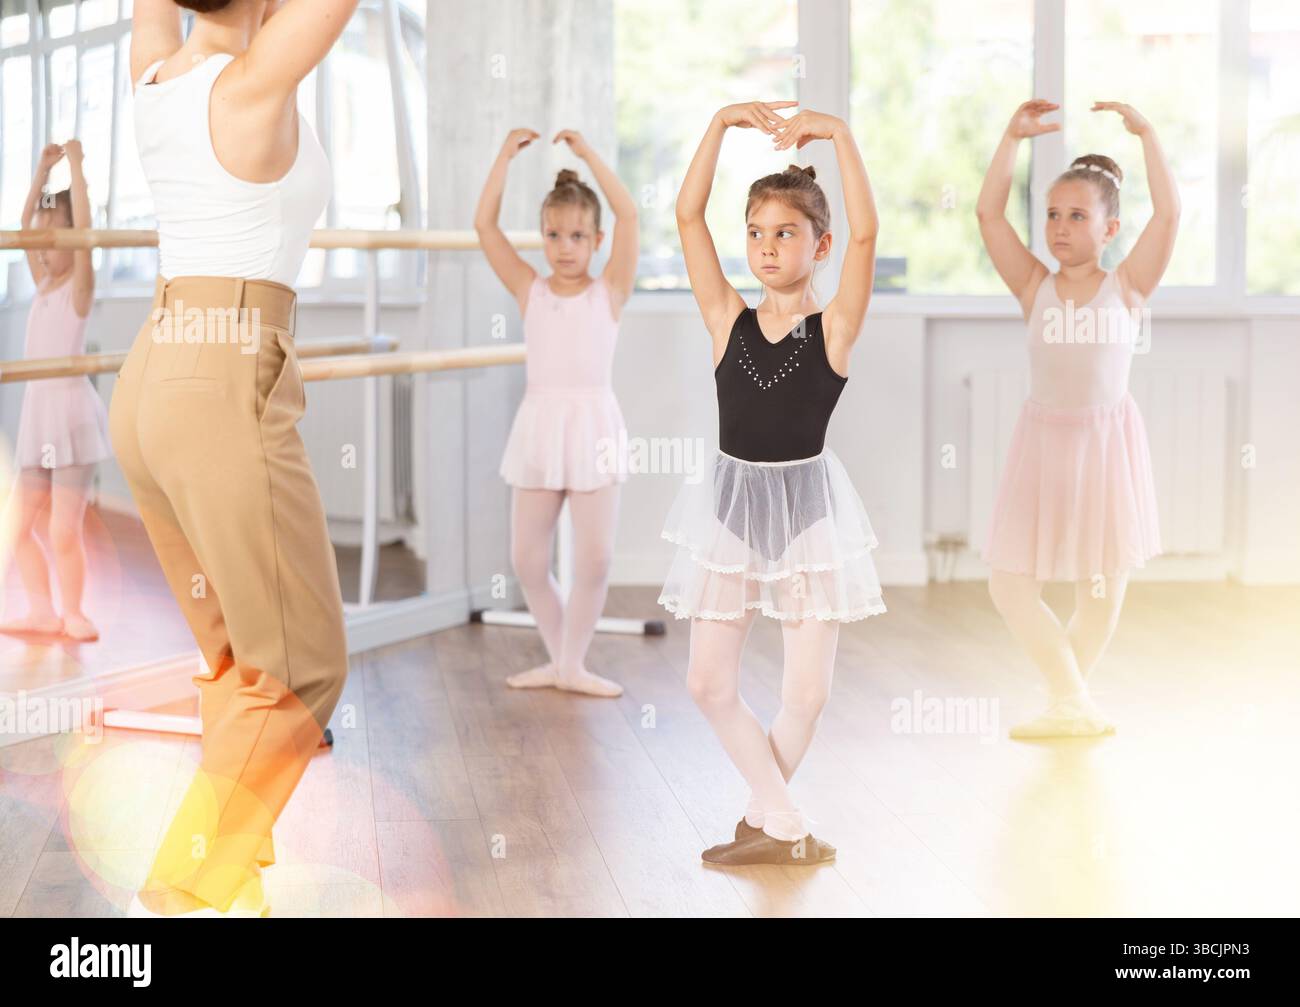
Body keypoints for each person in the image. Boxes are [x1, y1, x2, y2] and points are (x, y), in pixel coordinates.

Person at [113, 0, 358, 918]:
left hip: (150, 384)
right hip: (221, 379)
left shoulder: (153, 70)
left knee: (237, 658)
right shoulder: (253, 87)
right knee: (300, 668)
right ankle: (182, 889)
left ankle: (234, 879)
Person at [660, 101, 886, 865]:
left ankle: (770, 818)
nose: (765, 246)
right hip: (729, 510)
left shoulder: (836, 331)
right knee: (705, 679)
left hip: (810, 513)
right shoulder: (726, 318)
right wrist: (718, 124)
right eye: (755, 232)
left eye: (784, 232)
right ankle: (785, 822)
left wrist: (844, 137)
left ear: (819, 244)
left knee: (807, 694)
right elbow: (687, 215)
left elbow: (871, 236)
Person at [975, 99, 1178, 738]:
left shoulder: (1129, 287)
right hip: (1043, 445)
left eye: (1077, 216)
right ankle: (1072, 699)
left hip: (1106, 443)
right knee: (1010, 583)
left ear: (1109, 228)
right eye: (1053, 215)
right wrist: (1011, 137)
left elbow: (1171, 213)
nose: (1060, 228)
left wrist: (1147, 133)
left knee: (1101, 586)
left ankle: (1068, 703)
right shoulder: (1033, 286)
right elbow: (987, 214)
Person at [474, 128, 638, 698]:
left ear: (596, 239)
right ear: (542, 237)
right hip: (542, 427)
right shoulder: (530, 289)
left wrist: (590, 155)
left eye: (576, 235)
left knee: (595, 558)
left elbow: (631, 215)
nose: (564, 247)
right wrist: (503, 157)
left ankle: (572, 663)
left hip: (592, 426)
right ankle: (562, 659)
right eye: (553, 235)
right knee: (526, 558)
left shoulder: (610, 291)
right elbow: (485, 229)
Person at [0, 139, 110, 643]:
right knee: (19, 529)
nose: (44, 245)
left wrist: (78, 171)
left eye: (55, 235)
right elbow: (24, 228)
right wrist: (42, 173)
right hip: (37, 416)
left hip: (70, 418)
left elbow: (84, 235)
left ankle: (75, 611)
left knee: (64, 529)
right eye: (42, 238)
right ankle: (42, 609)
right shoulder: (43, 282)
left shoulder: (77, 288)